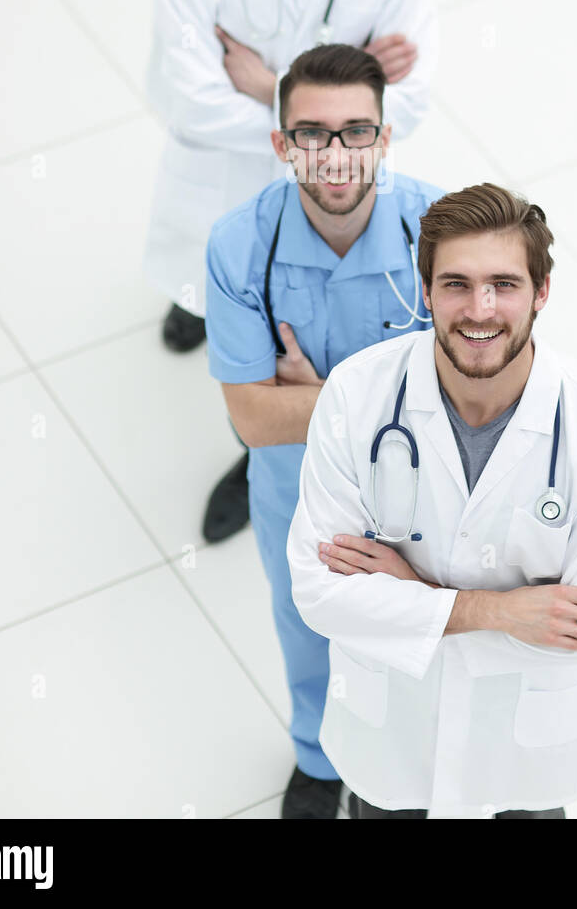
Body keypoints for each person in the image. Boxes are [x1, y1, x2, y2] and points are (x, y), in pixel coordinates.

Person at [143, 0, 435, 539]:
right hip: (226, 171)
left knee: (297, 342)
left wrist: (268, 88)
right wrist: (346, 101)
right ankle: (196, 311)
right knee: (221, 289)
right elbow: (195, 98)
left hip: (332, 187)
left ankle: (257, 459)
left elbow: (412, 97)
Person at [287, 183, 577, 819]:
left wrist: (412, 602)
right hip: (390, 740)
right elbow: (321, 594)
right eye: (456, 284)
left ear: (541, 292)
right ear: (425, 292)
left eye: (504, 285)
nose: (480, 309)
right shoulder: (356, 395)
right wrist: (505, 611)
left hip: (523, 751)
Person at [204, 44, 444, 818]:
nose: (335, 156)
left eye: (355, 132)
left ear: (384, 137)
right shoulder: (240, 246)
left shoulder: (438, 229)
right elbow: (249, 416)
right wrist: (392, 396)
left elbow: (480, 388)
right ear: (281, 145)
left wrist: (316, 398)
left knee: (423, 621)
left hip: (426, 487)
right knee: (307, 622)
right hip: (297, 489)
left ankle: (414, 748)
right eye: (312, 133)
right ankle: (317, 754)